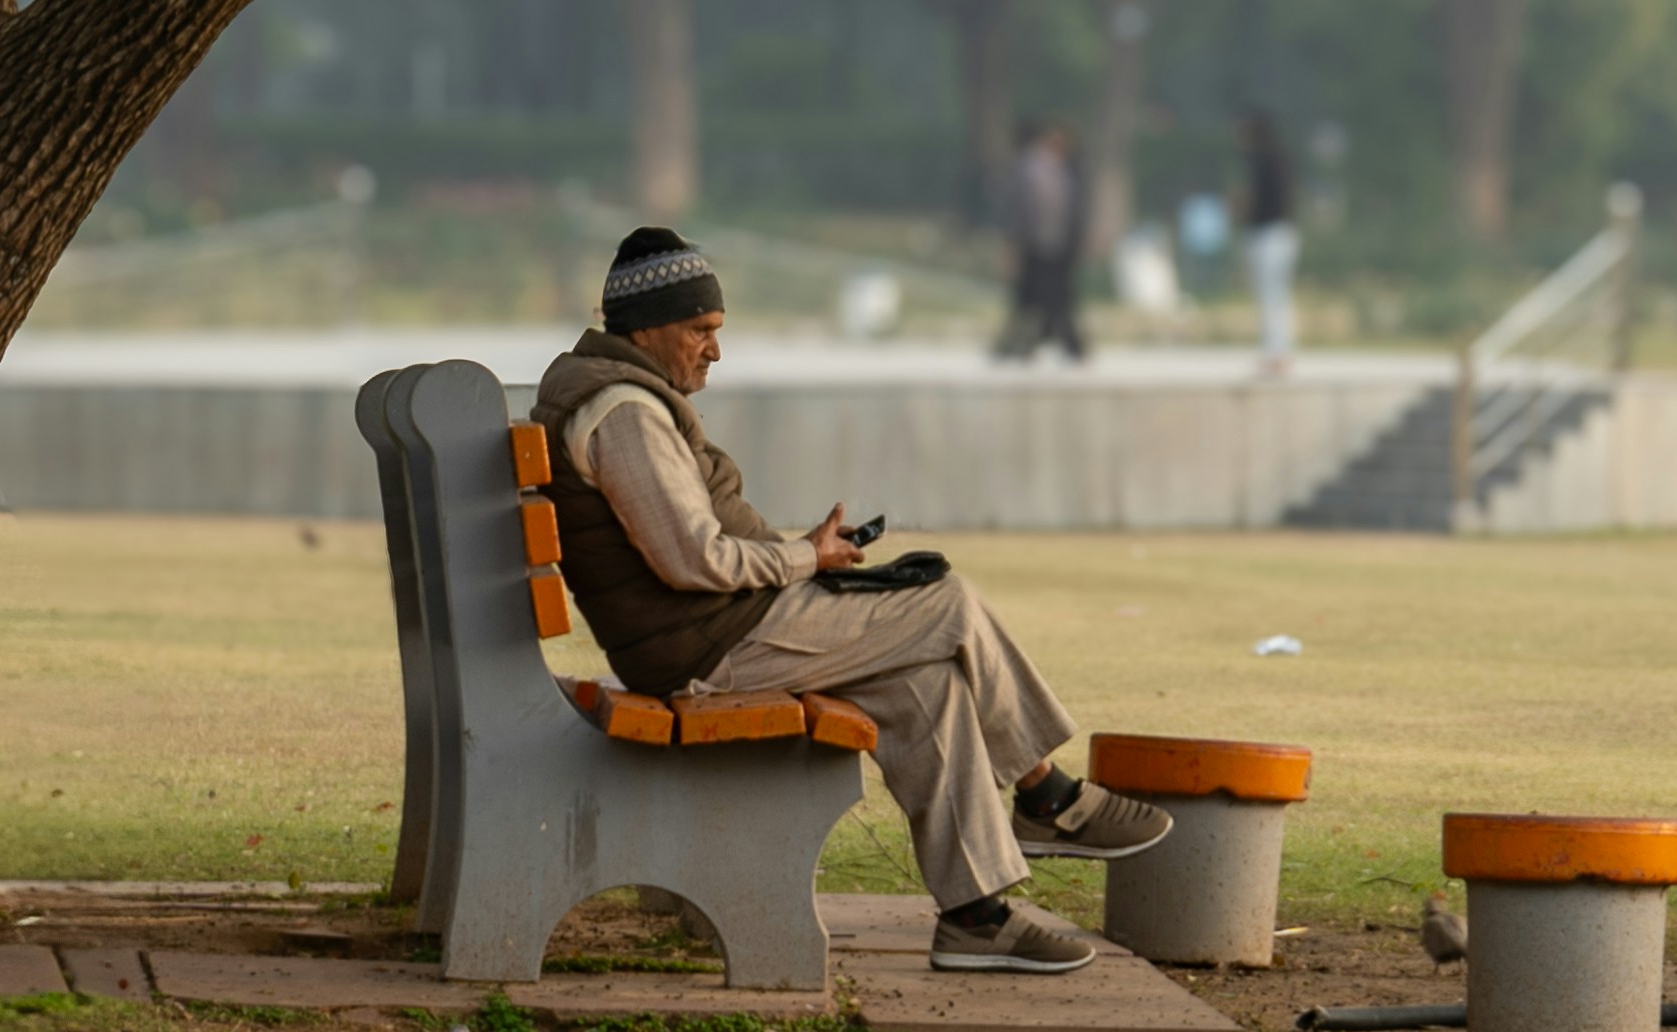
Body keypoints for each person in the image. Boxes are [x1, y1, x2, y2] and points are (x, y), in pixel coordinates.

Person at [539, 226, 1167, 972]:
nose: (713, 350)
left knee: (925, 684)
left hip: (721, 627)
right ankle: (1050, 798)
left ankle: (976, 916)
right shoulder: (625, 413)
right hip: (705, 646)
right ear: (647, 329)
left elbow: (687, 551)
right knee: (948, 602)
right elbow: (690, 560)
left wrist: (807, 560)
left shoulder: (623, 397)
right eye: (700, 331)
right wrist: (806, 557)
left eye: (718, 332)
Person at [993, 118, 1089, 365]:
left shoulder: (1065, 169)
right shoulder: (1027, 169)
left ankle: (1037, 344)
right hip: (1035, 245)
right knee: (1035, 298)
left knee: (1052, 298)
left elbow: (1073, 210)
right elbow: (1017, 211)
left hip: (1057, 246)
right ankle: (1031, 344)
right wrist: (1012, 244)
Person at [1234, 110, 1302, 373]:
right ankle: (1276, 351)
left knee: (1273, 296)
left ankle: (1277, 353)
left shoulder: (1269, 161)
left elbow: (1268, 202)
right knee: (1275, 296)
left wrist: (1245, 209)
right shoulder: (1269, 160)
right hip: (1277, 232)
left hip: (1271, 233)